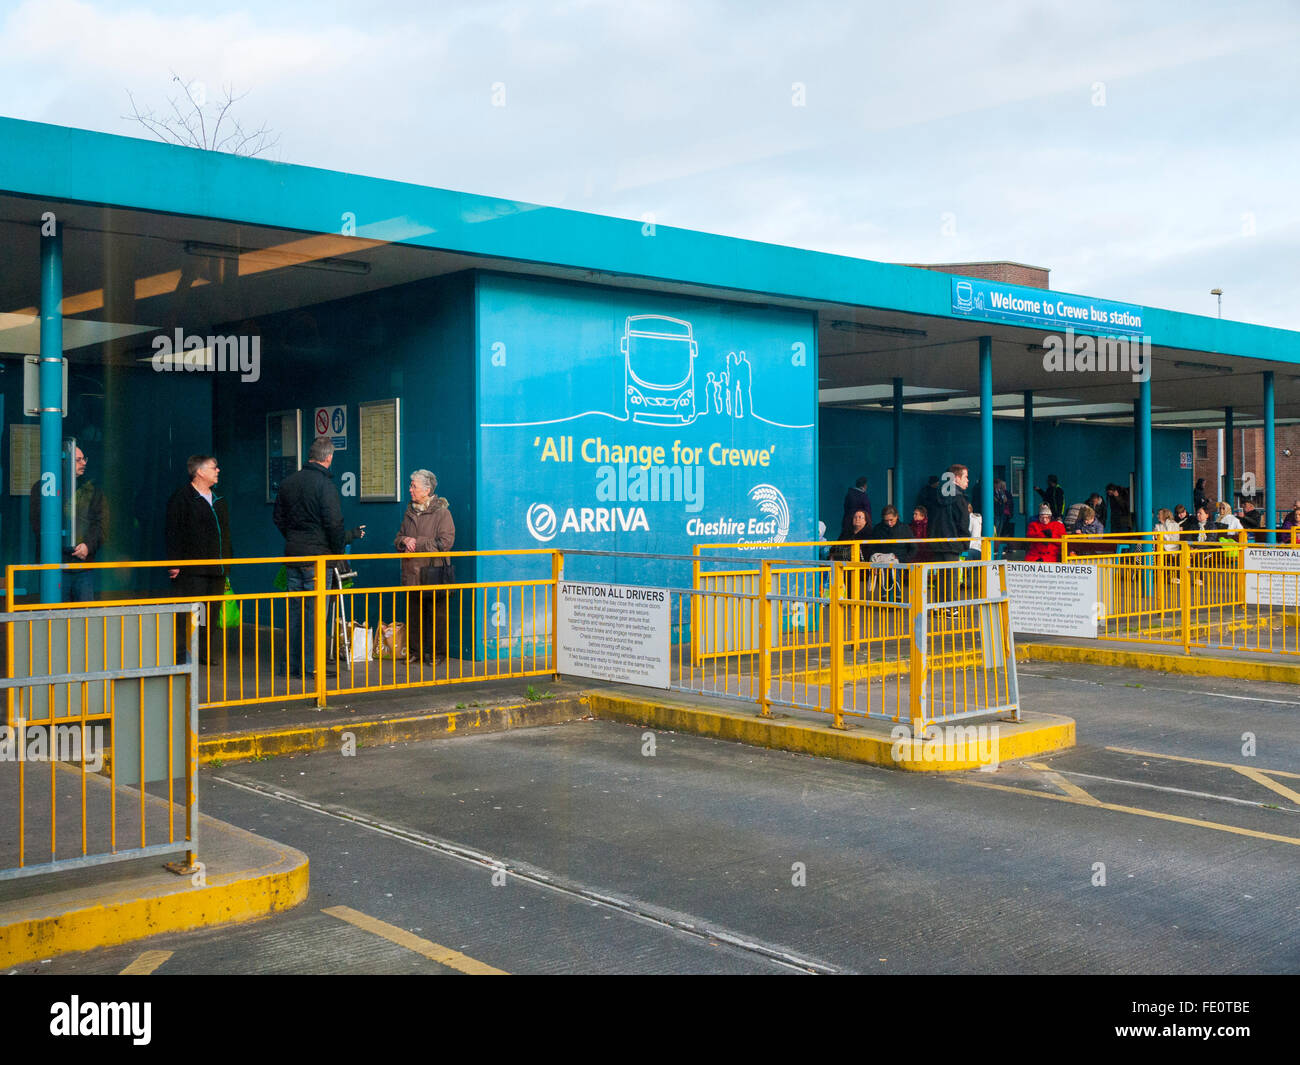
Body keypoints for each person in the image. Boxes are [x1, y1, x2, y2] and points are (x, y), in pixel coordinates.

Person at [273, 439, 366, 677]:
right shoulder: (325, 486)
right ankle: (313, 667)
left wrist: (294, 539)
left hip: (293, 556)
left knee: (295, 614)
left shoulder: (288, 483)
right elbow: (334, 523)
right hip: (318, 560)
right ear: (329, 457)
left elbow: (278, 518)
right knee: (316, 616)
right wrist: (338, 546)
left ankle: (291, 666)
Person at [165, 455, 232, 664]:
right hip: (193, 569)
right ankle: (180, 653)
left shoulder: (218, 499)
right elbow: (173, 531)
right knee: (189, 612)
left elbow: (226, 533)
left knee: (209, 614)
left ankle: (203, 652)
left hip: (217, 568)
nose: (218, 470)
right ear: (200, 472)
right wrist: (174, 561)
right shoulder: (182, 498)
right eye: (214, 467)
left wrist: (228, 561)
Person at [29, 445, 107, 602]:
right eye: (78, 460)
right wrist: (61, 547)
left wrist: (87, 546)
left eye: (84, 459)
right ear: (64, 462)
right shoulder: (43, 488)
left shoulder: (93, 490)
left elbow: (101, 524)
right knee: (55, 618)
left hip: (83, 566)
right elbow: (39, 524)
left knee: (84, 618)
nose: (83, 463)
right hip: (55, 566)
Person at [395, 469, 455, 666]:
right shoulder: (409, 512)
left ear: (427, 490)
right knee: (413, 615)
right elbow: (398, 538)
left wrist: (416, 543)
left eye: (414, 486)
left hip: (433, 572)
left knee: (437, 615)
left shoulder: (442, 513)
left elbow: (445, 542)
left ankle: (437, 653)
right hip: (412, 572)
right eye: (411, 485)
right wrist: (404, 541)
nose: (410, 489)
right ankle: (415, 651)